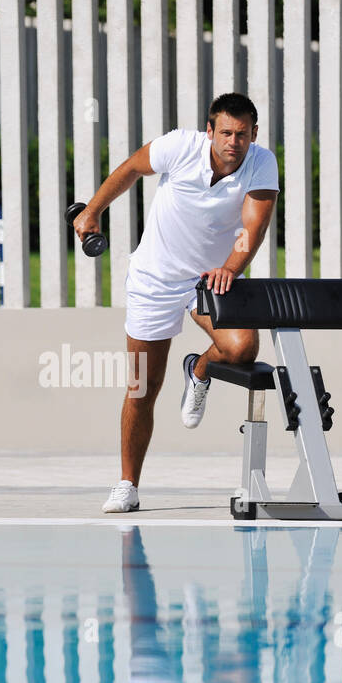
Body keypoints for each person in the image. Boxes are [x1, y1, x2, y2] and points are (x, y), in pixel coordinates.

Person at [71, 93, 280, 513]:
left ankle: (198, 369)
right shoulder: (178, 147)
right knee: (141, 387)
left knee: (241, 348)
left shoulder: (263, 163)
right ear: (210, 131)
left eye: (242, 134)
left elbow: (253, 228)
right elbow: (130, 169)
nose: (233, 142)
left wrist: (231, 268)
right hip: (155, 279)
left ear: (254, 134)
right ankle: (127, 484)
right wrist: (92, 211)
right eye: (225, 132)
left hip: (209, 280)